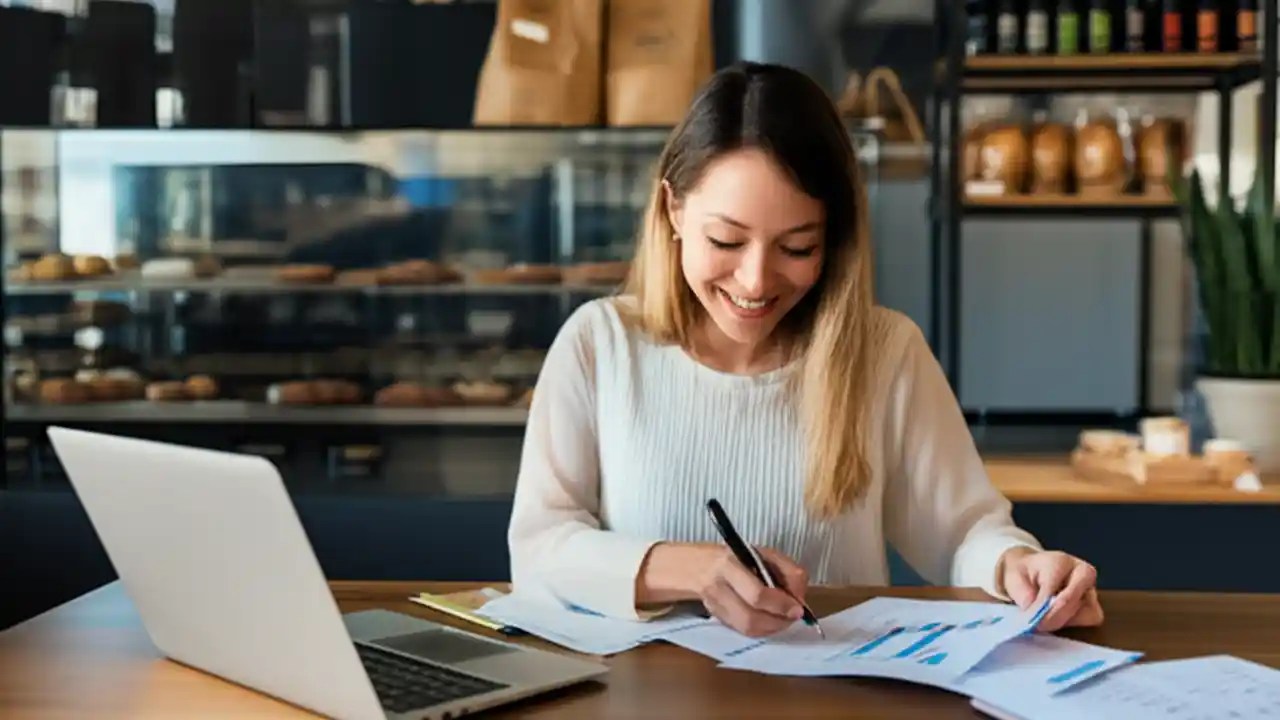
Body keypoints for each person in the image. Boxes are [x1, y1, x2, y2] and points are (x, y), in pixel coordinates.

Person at [507, 61, 1103, 638]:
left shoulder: (884, 352)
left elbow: (964, 531)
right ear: (673, 210)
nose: (755, 282)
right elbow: (538, 549)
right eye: (726, 240)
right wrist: (693, 569)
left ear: (833, 239)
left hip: (834, 696)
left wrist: (1017, 566)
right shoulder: (599, 344)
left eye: (796, 248)